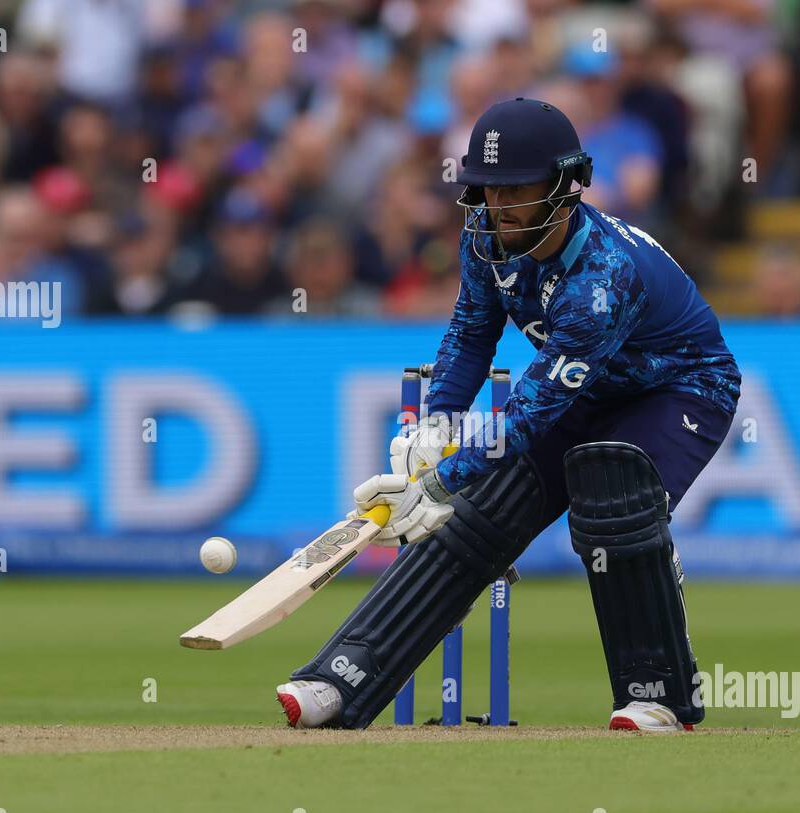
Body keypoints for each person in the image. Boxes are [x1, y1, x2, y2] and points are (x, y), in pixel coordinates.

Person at [276, 98, 741, 733]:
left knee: (613, 493)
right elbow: (471, 333)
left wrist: (438, 481)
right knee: (475, 519)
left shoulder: (602, 278)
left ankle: (657, 694)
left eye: (517, 190)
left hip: (679, 390)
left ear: (566, 186)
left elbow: (529, 412)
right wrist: (432, 430)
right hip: (587, 389)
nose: (500, 207)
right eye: (489, 190)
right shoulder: (484, 239)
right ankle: (342, 677)